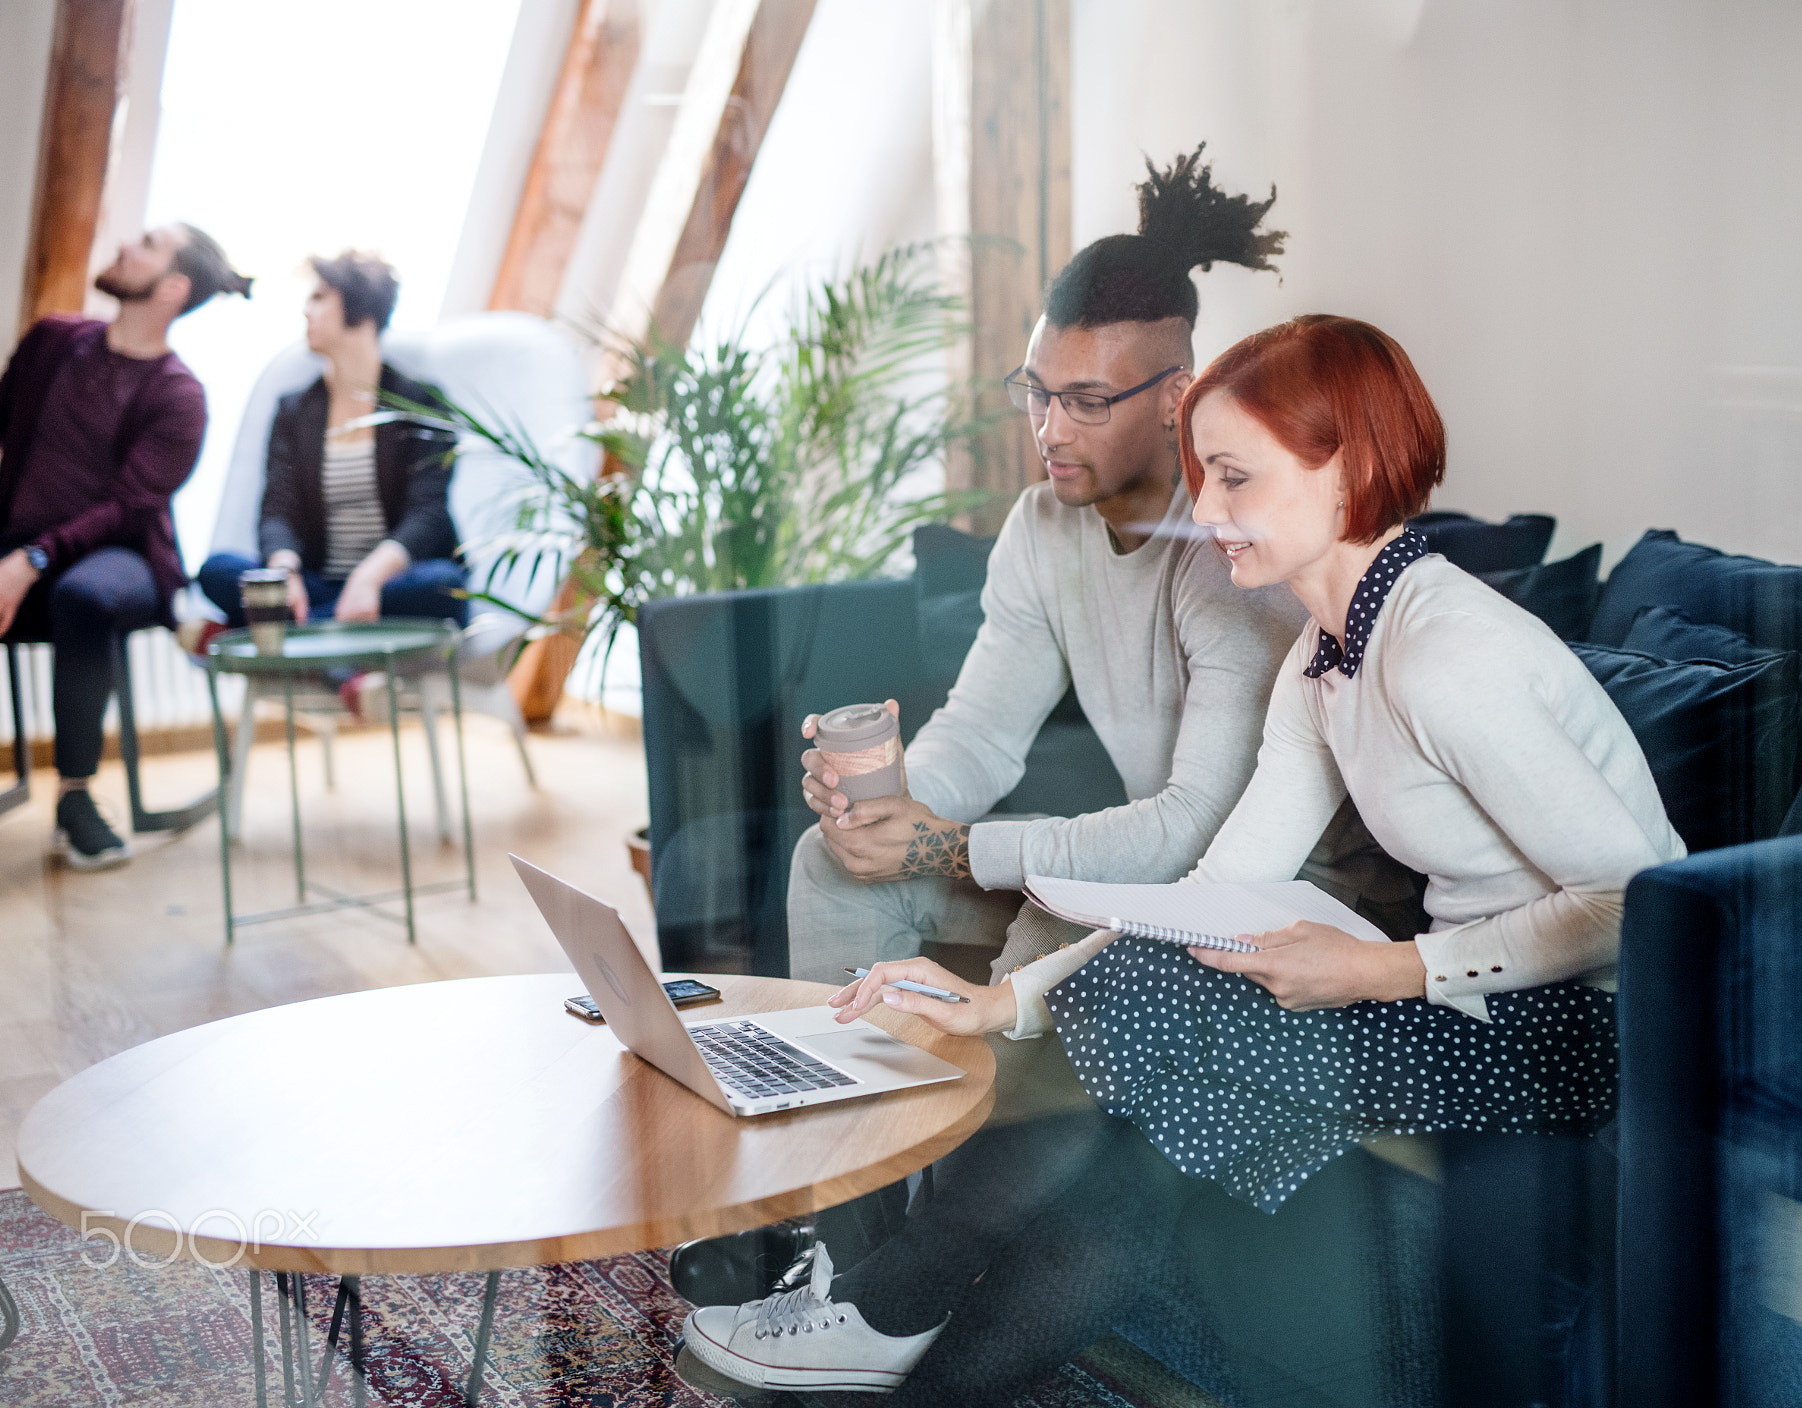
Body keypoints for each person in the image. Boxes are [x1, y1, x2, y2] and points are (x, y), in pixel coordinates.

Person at [683, 316, 1682, 1402]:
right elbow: (1213, 893)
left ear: (1345, 473)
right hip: (1462, 997)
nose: (1201, 512)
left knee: (1156, 1034)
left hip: (1582, 1026)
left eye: (1234, 478)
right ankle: (902, 1322)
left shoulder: (1444, 654)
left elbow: (1639, 902)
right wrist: (1002, 1002)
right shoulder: (1325, 655)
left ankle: (894, 1300)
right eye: (1203, 475)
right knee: (1148, 1127)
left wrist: (1382, 970)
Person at [783, 146, 1351, 988]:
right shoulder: (1041, 528)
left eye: (1086, 402)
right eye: (1037, 393)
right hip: (1139, 879)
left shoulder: (1235, 554)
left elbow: (1193, 832)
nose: (1050, 431)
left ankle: (969, 1067)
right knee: (828, 860)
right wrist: (883, 804)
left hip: (1274, 903)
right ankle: (836, 1070)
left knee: (1049, 916)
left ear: (1177, 399)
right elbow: (982, 733)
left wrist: (946, 845)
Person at [0, 223, 251, 869]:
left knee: (84, 596)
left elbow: (125, 509)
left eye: (147, 244)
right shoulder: (53, 340)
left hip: (119, 560)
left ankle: (75, 797)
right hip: (16, 546)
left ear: (173, 287)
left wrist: (30, 561)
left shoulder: (179, 395)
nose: (124, 246)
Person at [197, 251, 464, 641]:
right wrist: (285, 573)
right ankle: (333, 639)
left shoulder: (422, 403)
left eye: (320, 298)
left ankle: (265, 634)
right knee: (217, 570)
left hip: (391, 581)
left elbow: (429, 514)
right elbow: (277, 509)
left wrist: (368, 578)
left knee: (444, 584)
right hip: (317, 583)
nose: (306, 311)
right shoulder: (293, 410)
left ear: (362, 312)